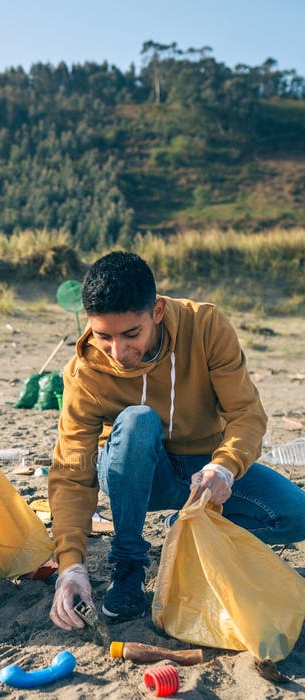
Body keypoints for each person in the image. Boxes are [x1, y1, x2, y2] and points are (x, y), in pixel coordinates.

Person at [48, 251, 305, 630]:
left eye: (130, 334)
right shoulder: (84, 371)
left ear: (157, 311)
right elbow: (72, 470)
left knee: (295, 514)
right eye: (104, 336)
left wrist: (225, 467)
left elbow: (247, 415)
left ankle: (182, 536)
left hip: (206, 469)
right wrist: (70, 566)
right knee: (137, 422)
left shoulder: (206, 326)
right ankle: (130, 562)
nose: (119, 353)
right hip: (134, 476)